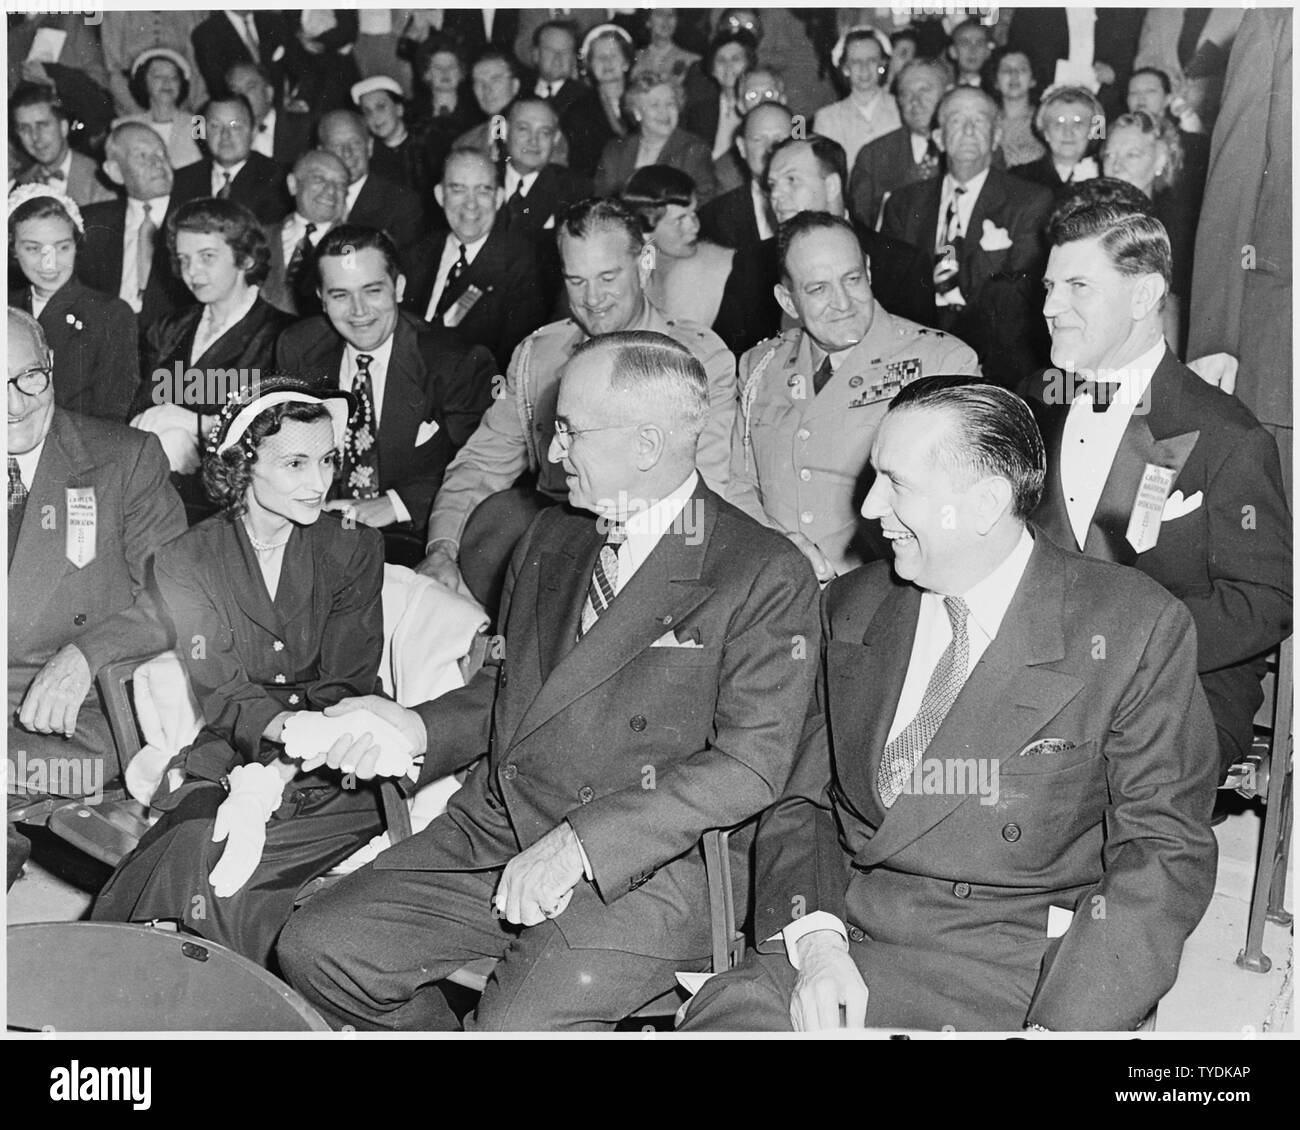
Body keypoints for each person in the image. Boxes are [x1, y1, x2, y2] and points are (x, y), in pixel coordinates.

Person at [277, 330, 821, 1030]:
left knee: (513, 1028)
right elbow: (511, 690)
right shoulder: (554, 536)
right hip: (499, 830)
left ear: (647, 446)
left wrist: (577, 845)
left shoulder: (760, 572)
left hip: (642, 870)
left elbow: (749, 766)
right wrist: (414, 726)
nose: (553, 452)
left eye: (568, 431)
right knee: (317, 947)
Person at [682, 377, 1221, 1032]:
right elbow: (805, 800)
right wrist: (818, 943)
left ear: (986, 502)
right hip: (852, 944)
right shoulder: (851, 606)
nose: (871, 504)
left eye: (896, 482)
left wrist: (1068, 1023)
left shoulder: (1131, 627)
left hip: (1024, 972)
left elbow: (1163, 850)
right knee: (726, 1016)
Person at [92, 379, 388, 969]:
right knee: (185, 844)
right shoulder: (185, 559)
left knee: (235, 878)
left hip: (341, 755)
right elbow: (221, 688)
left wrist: (275, 779)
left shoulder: (354, 547)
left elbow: (347, 682)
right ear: (242, 465)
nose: (320, 481)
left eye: (327, 459)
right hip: (231, 744)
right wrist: (256, 771)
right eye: (296, 462)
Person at [1022, 191, 1291, 790]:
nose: (1051, 306)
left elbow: (1266, 602)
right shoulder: (1035, 400)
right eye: (1047, 287)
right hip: (1034, 673)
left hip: (1176, 689)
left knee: (1051, 786)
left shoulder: (1228, 435)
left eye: (1077, 287)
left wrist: (1129, 652)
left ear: (1143, 295)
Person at [416, 199, 737, 614]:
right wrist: (443, 547)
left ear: (645, 261)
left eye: (607, 277)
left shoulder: (697, 358)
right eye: (576, 280)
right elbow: (482, 464)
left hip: (654, 558)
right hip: (552, 560)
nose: (593, 299)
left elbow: (705, 490)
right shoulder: (538, 356)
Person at [728, 211, 979, 581]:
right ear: (787, 301)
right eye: (818, 289)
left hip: (886, 592)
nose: (843, 302)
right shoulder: (759, 367)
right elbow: (739, 485)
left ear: (869, 272)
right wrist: (776, 547)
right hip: (778, 588)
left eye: (852, 279)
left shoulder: (940, 361)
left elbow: (956, 508)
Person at [7, 307, 186, 807]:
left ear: (50, 361)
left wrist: (86, 654)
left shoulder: (125, 459)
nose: (13, 405)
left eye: (29, 378)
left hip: (68, 721)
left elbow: (178, 599)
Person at [276, 224, 496, 562]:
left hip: (410, 537)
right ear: (321, 298)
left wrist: (395, 504)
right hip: (317, 533)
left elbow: (482, 470)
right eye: (340, 295)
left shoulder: (454, 362)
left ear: (399, 287)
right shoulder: (298, 348)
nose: (358, 310)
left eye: (372, 290)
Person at [132, 198, 292, 522]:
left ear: (245, 258)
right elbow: (141, 413)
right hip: (160, 500)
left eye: (207, 257)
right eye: (184, 259)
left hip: (236, 510)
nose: (192, 272)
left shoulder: (283, 335)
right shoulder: (167, 329)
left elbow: (278, 438)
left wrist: (196, 426)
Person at [882, 87, 1054, 369]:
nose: (969, 129)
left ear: (996, 136)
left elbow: (1019, 302)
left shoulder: (1029, 201)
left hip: (993, 354)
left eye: (980, 120)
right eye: (957, 120)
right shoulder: (903, 203)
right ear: (938, 137)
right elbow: (893, 293)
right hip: (915, 350)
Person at [402, 149, 545, 372]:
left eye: (483, 191)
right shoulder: (416, 254)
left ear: (498, 198)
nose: (471, 204)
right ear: (440, 195)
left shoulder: (519, 264)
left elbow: (512, 360)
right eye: (458, 189)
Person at [768, 135, 932, 328]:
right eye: (772, 185)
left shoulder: (900, 265)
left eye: (791, 179)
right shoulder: (755, 265)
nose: (775, 195)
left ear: (831, 186)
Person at [8, 188, 137, 422]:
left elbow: (113, 414)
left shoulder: (110, 314)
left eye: (62, 247)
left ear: (77, 246)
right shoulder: (8, 309)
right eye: (33, 248)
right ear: (12, 249)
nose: (50, 263)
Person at [622, 165, 764, 357]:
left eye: (693, 213)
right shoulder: (632, 270)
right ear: (644, 231)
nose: (694, 226)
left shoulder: (709, 265)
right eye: (680, 220)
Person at [75, 123, 192, 334]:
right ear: (116, 172)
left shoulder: (194, 219)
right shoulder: (92, 223)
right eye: (142, 156)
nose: (157, 162)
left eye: (161, 152)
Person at [1102, 112, 1195, 350]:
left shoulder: (1176, 225)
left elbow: (1171, 306)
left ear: (1160, 159)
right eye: (1109, 155)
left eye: (1131, 155)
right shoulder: (1090, 220)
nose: (1115, 165)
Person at [848, 58, 946, 232]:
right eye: (906, 93)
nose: (915, 101)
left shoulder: (971, 148)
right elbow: (860, 223)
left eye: (925, 90)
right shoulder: (873, 155)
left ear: (947, 94)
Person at [317, 109, 425, 260]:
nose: (347, 153)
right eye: (336, 145)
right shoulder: (312, 198)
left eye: (355, 143)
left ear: (369, 146)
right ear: (321, 152)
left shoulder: (401, 203)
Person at [1007, 7, 1146, 121]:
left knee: (1097, 147)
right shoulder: (1033, 9)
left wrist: (1115, 74)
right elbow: (1016, 55)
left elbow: (1137, 57)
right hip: (1047, 106)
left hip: (1102, 109)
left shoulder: (1123, 10)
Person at [171, 94, 292, 224]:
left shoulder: (278, 179)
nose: (225, 135)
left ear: (254, 131)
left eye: (235, 126)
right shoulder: (183, 179)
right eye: (215, 126)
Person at [595, 74, 717, 203]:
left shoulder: (694, 150)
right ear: (637, 113)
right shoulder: (615, 150)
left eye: (670, 104)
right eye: (655, 105)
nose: (664, 112)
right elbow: (602, 200)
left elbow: (704, 202)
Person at [261, 150, 349, 318]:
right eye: (319, 179)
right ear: (293, 184)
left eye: (340, 184)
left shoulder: (353, 245)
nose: (331, 190)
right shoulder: (258, 237)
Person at [698, 101, 788, 251]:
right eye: (759, 139)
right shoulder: (716, 217)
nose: (771, 149)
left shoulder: (817, 202)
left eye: (781, 139)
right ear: (741, 147)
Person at [11, 84, 116, 207]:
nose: (35, 137)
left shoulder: (101, 181)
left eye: (42, 125)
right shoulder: (20, 186)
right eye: (25, 128)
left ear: (64, 128)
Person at [812, 27, 900, 172]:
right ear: (845, 68)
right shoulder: (827, 118)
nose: (864, 68)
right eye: (855, 61)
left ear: (882, 64)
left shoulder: (900, 109)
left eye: (871, 60)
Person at [531, 19, 608, 180]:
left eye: (565, 51)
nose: (558, 58)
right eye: (550, 50)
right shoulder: (520, 93)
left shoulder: (590, 100)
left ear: (574, 58)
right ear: (536, 54)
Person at [116, 48, 204, 173]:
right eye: (158, 76)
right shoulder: (123, 127)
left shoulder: (198, 124)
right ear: (144, 82)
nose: (167, 82)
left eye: (173, 77)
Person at [1009, 85, 1104, 197]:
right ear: (1045, 132)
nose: (1068, 132)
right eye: (1059, 123)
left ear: (1092, 130)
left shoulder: (1105, 176)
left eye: (1078, 122)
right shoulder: (1019, 178)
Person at [681, 28, 756, 163]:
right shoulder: (699, 113)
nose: (728, 66)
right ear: (713, 70)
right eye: (721, 60)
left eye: (735, 59)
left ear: (748, 65)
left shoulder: (758, 108)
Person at [224, 61, 316, 172]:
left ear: (269, 93)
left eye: (250, 88)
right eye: (234, 91)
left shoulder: (304, 128)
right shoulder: (224, 133)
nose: (241, 96)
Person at [351, 75, 429, 197]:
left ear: (399, 109)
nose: (375, 117)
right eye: (367, 112)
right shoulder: (370, 157)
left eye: (381, 107)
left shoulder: (426, 142)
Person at [576, 23, 636, 177]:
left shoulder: (643, 99)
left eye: (613, 55)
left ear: (626, 62)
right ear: (589, 65)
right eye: (600, 57)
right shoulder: (579, 110)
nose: (607, 62)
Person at [991, 48, 1046, 170]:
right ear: (996, 81)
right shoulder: (987, 120)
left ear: (1033, 80)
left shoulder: (1044, 121)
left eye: (1022, 69)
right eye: (1006, 70)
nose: (1014, 75)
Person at [632, 9, 701, 87]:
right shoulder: (634, 58)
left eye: (671, 15)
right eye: (660, 14)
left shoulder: (692, 61)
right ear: (648, 21)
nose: (666, 20)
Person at [949, 18, 994, 89]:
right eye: (965, 43)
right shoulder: (944, 93)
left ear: (987, 52)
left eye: (979, 43)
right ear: (953, 51)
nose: (973, 50)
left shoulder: (997, 94)